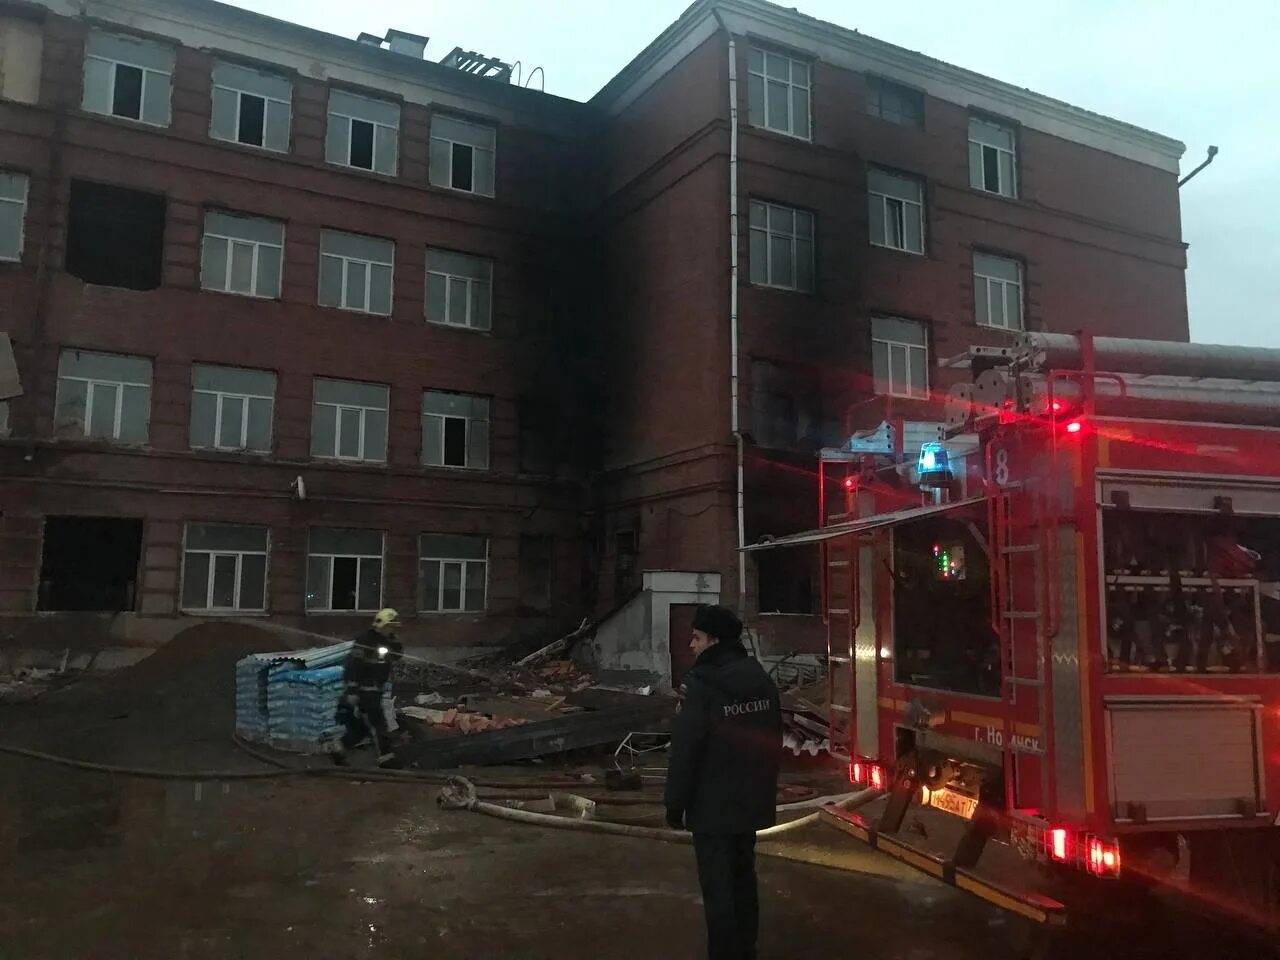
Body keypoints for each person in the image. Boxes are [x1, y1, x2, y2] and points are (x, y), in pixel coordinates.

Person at [664, 604, 783, 960]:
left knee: (718, 889)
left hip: (712, 807)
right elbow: (774, 739)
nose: (691, 645)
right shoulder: (760, 679)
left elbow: (686, 748)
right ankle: (746, 950)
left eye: (697, 638)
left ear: (714, 641)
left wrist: (675, 803)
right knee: (743, 879)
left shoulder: (701, 685)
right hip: (750, 802)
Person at [332, 608, 403, 766]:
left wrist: (394, 640)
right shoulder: (365, 641)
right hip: (364, 690)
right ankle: (386, 758)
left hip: (375, 690)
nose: (392, 630)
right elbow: (353, 667)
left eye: (394, 627)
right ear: (381, 625)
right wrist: (352, 691)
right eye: (390, 626)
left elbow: (397, 654)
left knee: (362, 729)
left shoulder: (387, 641)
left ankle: (338, 748)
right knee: (378, 724)